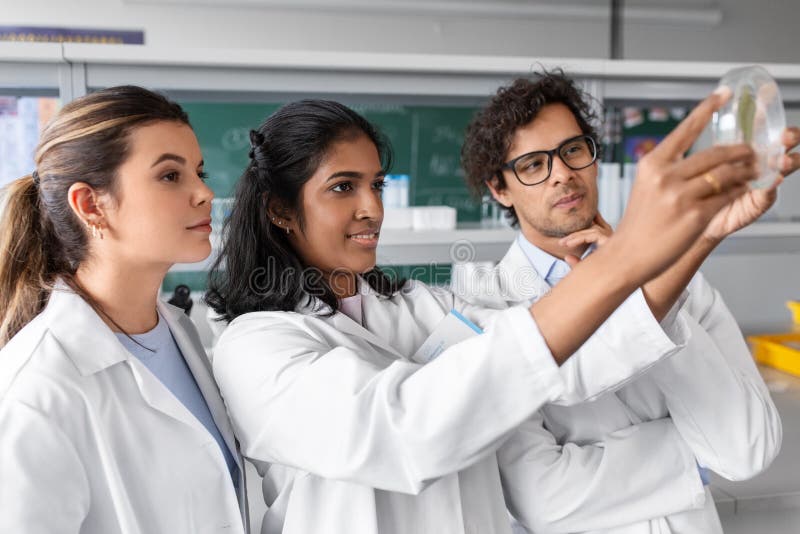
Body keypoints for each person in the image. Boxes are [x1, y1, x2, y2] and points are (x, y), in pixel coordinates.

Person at [206, 94, 758, 534]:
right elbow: (410, 431)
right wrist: (632, 254)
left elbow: (567, 363)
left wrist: (693, 239)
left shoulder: (423, 306)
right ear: (280, 208)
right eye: (342, 188)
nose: (372, 207)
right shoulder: (255, 348)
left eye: (376, 184)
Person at [458, 71, 795, 533]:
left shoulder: (681, 280)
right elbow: (541, 496)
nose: (563, 174)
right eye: (534, 165)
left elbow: (746, 449)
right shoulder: (486, 308)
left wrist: (646, 287)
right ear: (500, 188)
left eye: (573, 150)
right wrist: (692, 456)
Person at [0, 86, 247, 534]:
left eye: (199, 171)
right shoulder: (36, 389)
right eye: (171, 176)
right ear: (91, 205)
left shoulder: (177, 333)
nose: (205, 192)